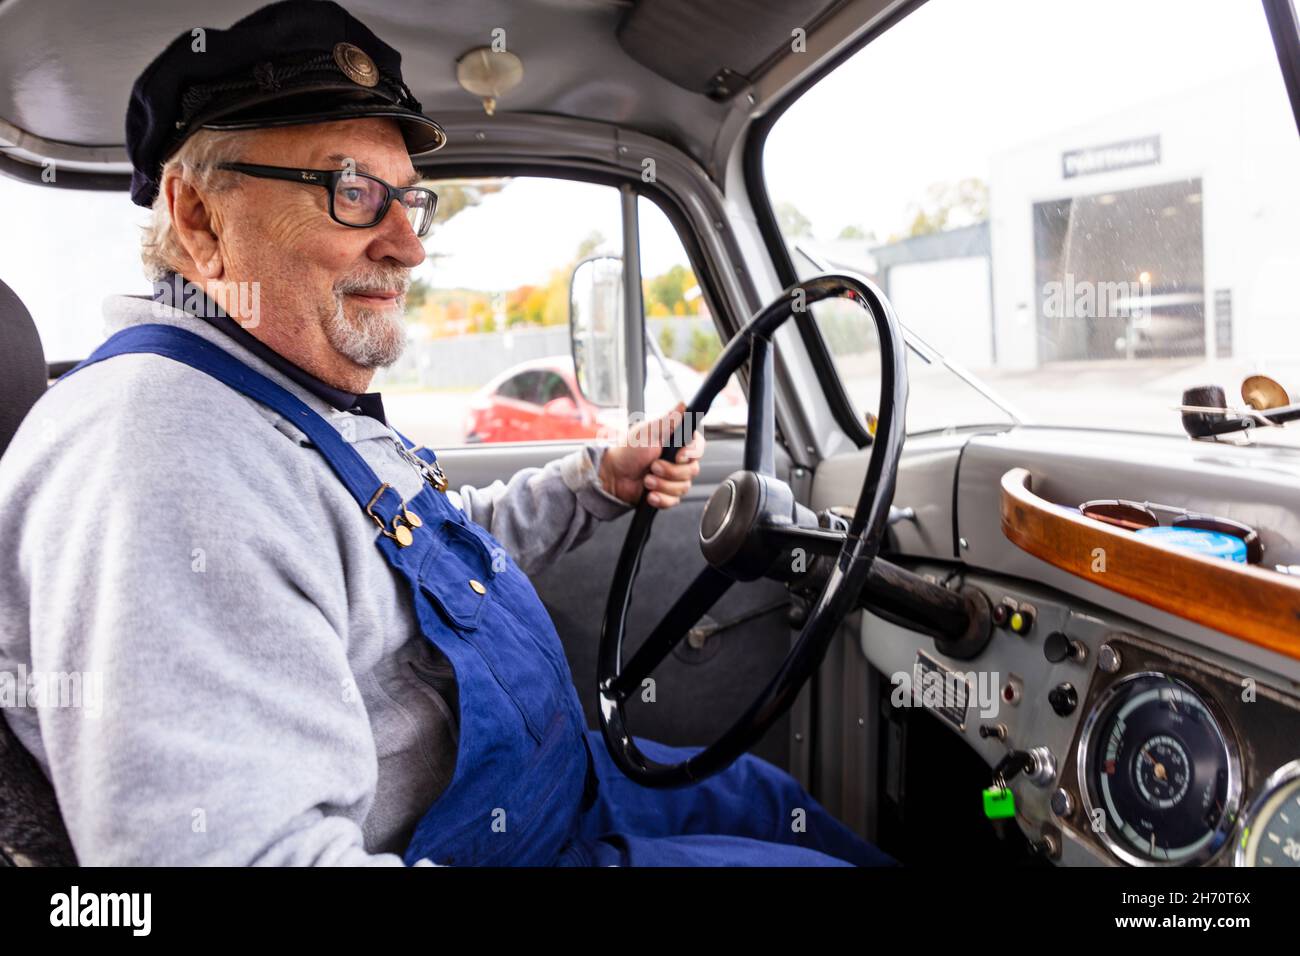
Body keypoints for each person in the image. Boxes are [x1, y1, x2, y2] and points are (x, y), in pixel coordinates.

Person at [0, 0, 892, 867]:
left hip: (568, 795)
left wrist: (599, 482)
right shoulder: (165, 455)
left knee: (775, 805)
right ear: (200, 221)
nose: (409, 245)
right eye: (351, 191)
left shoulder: (287, 399)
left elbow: (428, 563)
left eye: (407, 201)